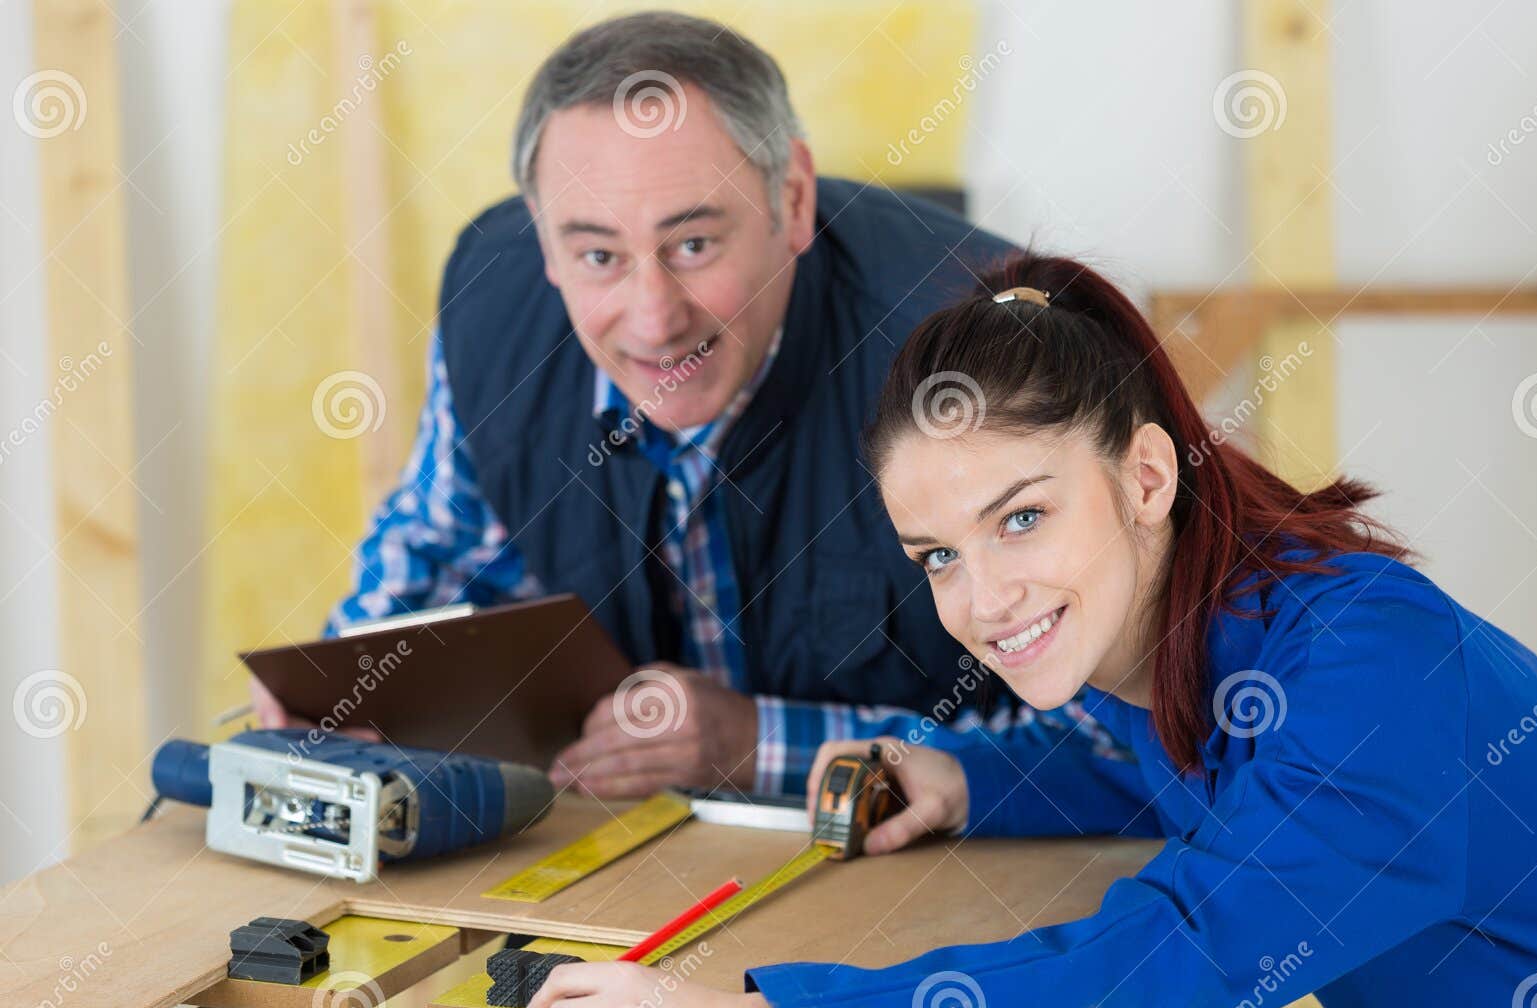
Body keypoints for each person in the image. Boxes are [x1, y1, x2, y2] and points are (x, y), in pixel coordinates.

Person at [525, 253, 1537, 1008]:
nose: (983, 598)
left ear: (1142, 477)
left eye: (1023, 516)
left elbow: (1186, 946)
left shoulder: (1371, 658)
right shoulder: (1200, 632)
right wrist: (966, 776)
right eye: (938, 553)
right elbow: (1183, 761)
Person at [250, 11, 1123, 798]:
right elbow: (442, 554)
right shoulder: (494, 299)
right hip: (638, 859)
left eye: (694, 243)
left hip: (951, 872)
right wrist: (336, 699)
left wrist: (757, 744)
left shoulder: (976, 346)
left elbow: (1115, 742)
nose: (653, 315)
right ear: (545, 240)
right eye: (597, 255)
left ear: (791, 201)